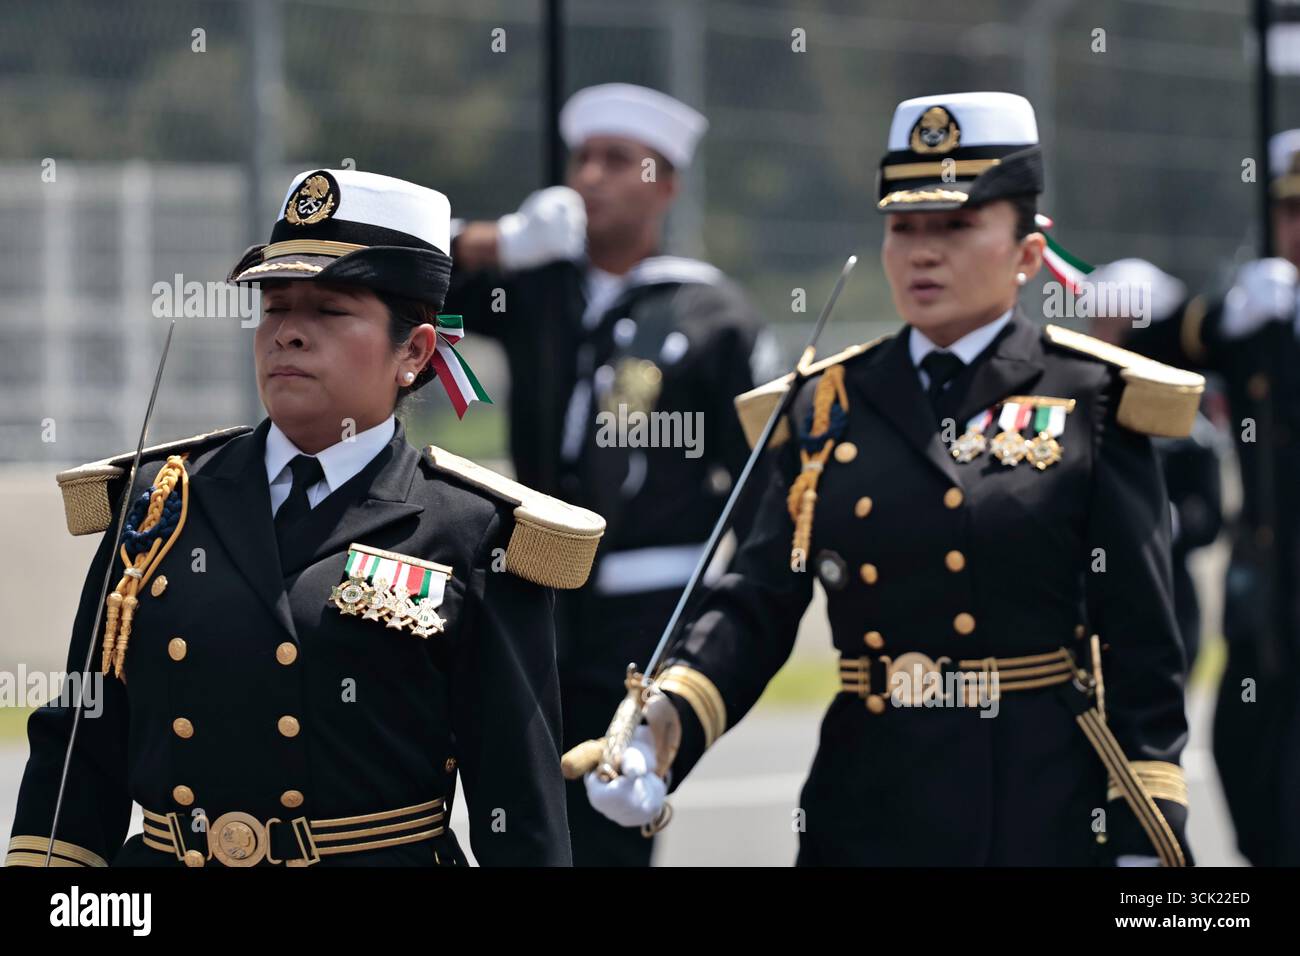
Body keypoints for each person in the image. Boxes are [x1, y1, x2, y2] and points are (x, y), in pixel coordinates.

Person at [576, 92, 1199, 866]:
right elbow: (759, 600)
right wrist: (664, 724)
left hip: (1039, 803)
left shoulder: (1092, 400)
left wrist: (1147, 837)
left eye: (957, 226)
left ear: (1028, 253)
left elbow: (1142, 646)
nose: (922, 253)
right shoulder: (826, 404)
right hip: (870, 801)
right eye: (904, 228)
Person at [6, 169, 604, 868]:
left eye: (328, 310)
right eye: (274, 306)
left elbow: (519, 813)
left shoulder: (472, 531)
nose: (287, 333)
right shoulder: (160, 500)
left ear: (413, 352)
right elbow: (79, 753)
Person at [445, 83, 775, 865]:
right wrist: (498, 243)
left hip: (642, 608)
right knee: (522, 816)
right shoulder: (535, 288)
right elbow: (394, 289)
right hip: (534, 594)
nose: (590, 176)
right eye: (582, 158)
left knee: (607, 816)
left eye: (618, 160)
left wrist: (712, 615)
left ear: (666, 183)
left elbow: (759, 487)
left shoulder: (711, 314)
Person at [1112, 129, 1300, 864]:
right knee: (1247, 766)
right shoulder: (1262, 320)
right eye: (1288, 213)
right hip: (1266, 613)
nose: (1297, 230)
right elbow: (1135, 357)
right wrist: (1220, 315)